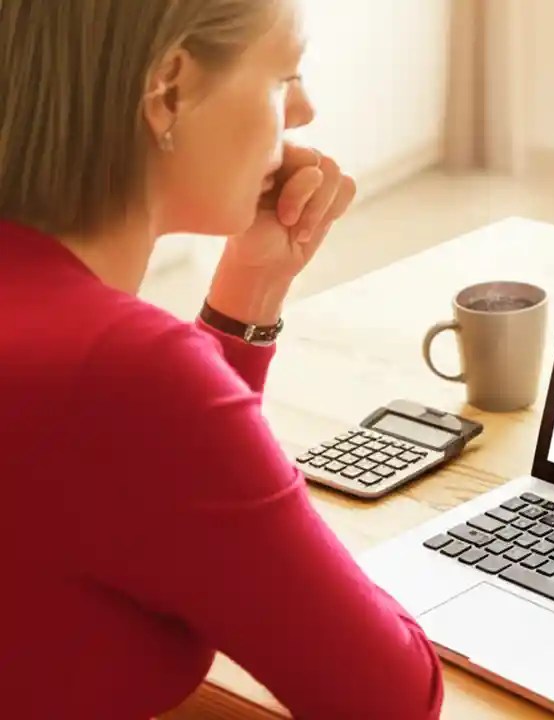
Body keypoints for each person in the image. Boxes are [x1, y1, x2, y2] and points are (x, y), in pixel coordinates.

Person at [0, 1, 444, 718]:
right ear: (169, 89)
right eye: (284, 77)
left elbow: (144, 482)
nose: (303, 111)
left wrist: (251, 288)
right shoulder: (124, 374)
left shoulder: (96, 369)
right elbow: (389, 697)